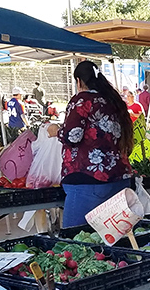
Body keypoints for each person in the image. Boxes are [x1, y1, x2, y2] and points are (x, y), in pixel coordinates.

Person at [47, 60, 134, 228]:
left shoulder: (82, 100)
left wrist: (55, 131)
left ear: (79, 81)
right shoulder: (114, 101)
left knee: (75, 239)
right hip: (119, 178)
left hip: (87, 179)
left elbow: (73, 135)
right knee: (113, 238)